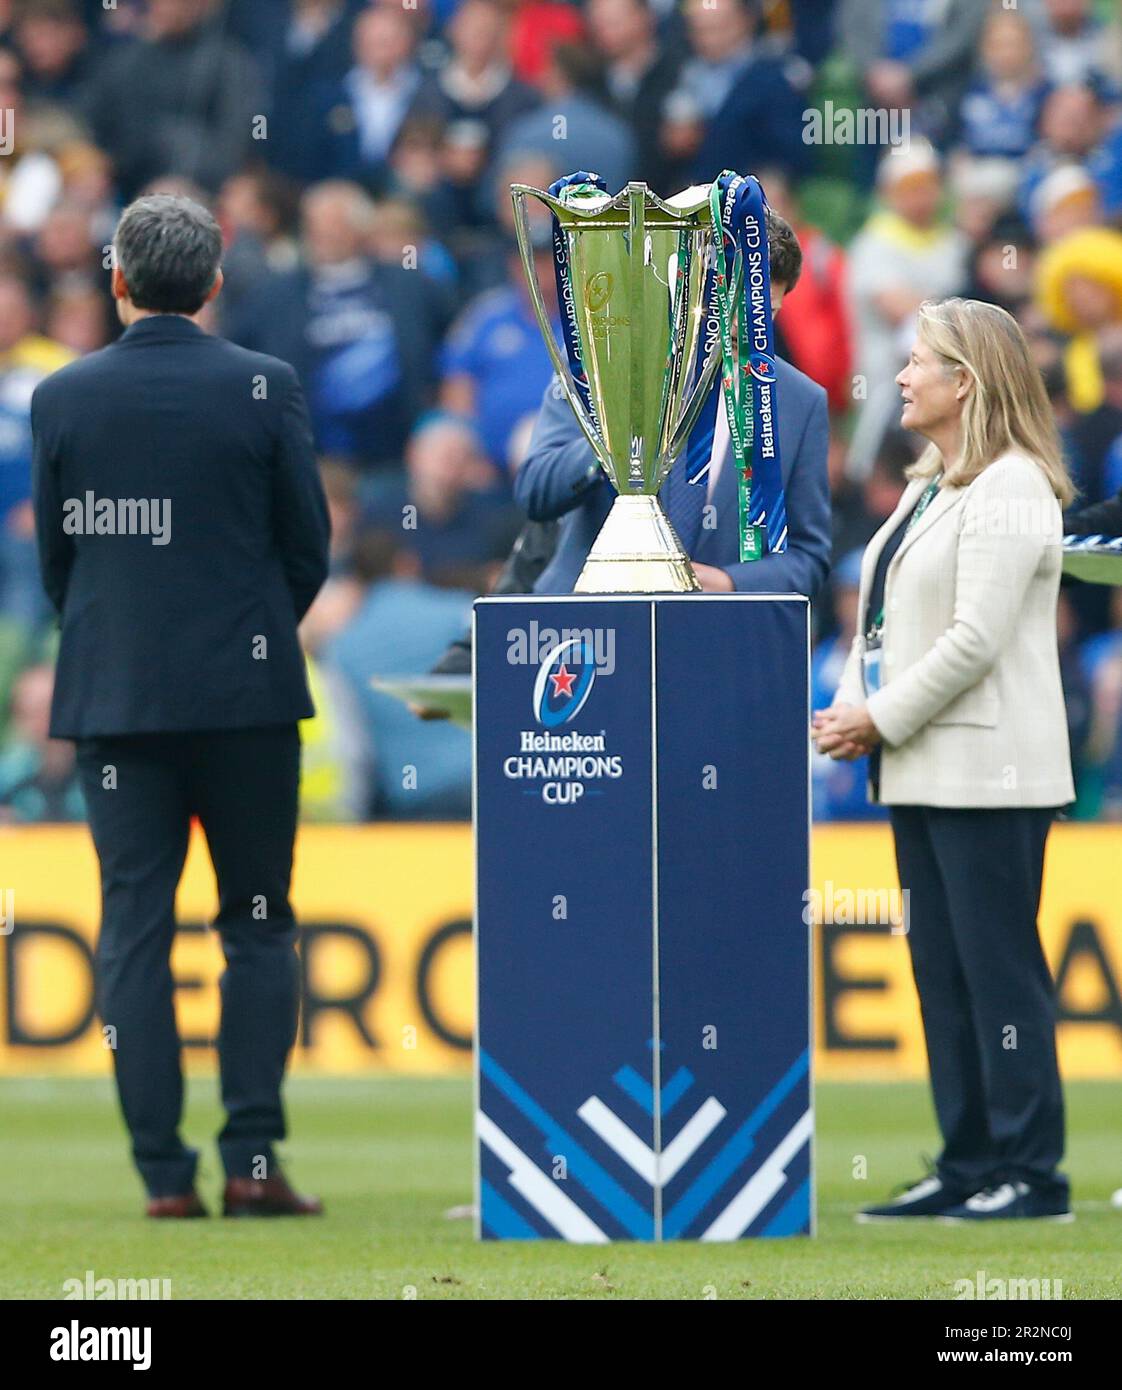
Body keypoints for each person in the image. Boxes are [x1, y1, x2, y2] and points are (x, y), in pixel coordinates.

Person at [31, 194, 330, 1219]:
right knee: (256, 927)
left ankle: (164, 1178)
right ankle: (252, 1161)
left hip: (119, 707)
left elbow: (57, 563)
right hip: (246, 705)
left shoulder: (61, 395)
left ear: (116, 279)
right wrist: (248, 632)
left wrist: (121, 645)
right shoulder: (267, 385)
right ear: (214, 279)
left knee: (135, 936)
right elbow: (309, 547)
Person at [813, 298, 1076, 1222]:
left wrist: (873, 718)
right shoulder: (934, 482)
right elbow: (878, 616)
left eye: (918, 360)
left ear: (966, 380)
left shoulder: (1011, 486)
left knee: (999, 971)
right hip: (921, 764)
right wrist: (853, 703)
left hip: (988, 767)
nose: (899, 375)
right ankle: (968, 1162)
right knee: (944, 973)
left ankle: (1032, 1173)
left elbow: (974, 640)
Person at [515, 208, 830, 598]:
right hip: (590, 629)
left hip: (708, 638)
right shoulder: (603, 357)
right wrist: (616, 438)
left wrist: (730, 582)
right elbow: (536, 490)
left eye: (765, 315)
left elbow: (808, 558)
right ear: (698, 285)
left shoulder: (801, 401)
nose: (745, 330)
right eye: (732, 310)